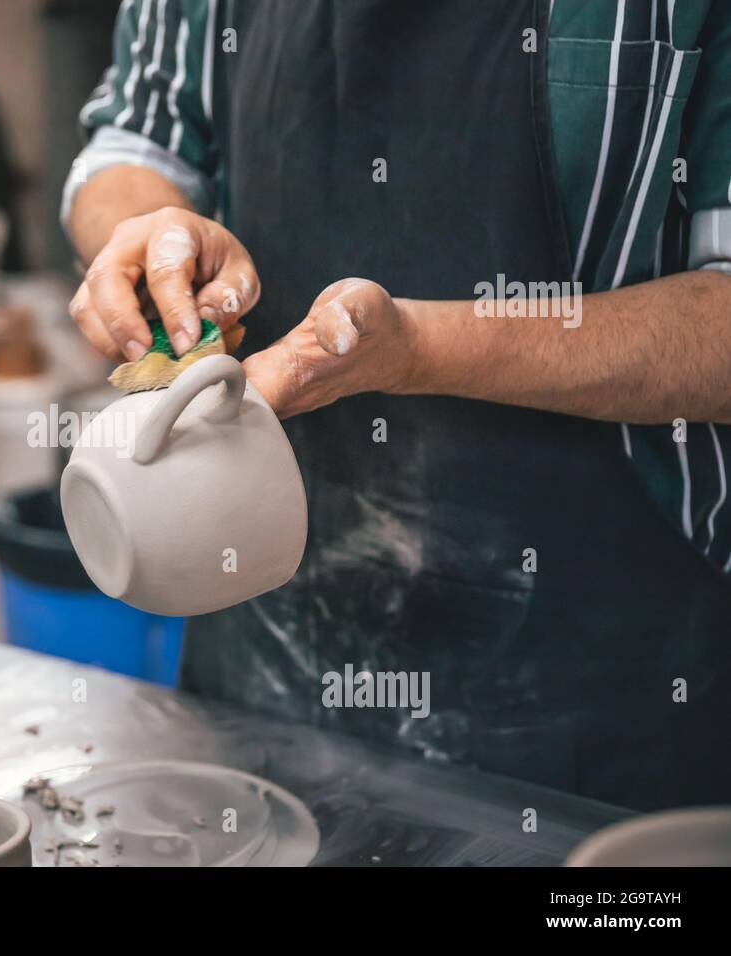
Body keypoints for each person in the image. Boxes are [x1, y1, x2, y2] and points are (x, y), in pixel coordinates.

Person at [62, 0, 731, 810]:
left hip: (596, 686)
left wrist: (415, 348)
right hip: (260, 632)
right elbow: (137, 137)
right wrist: (146, 234)